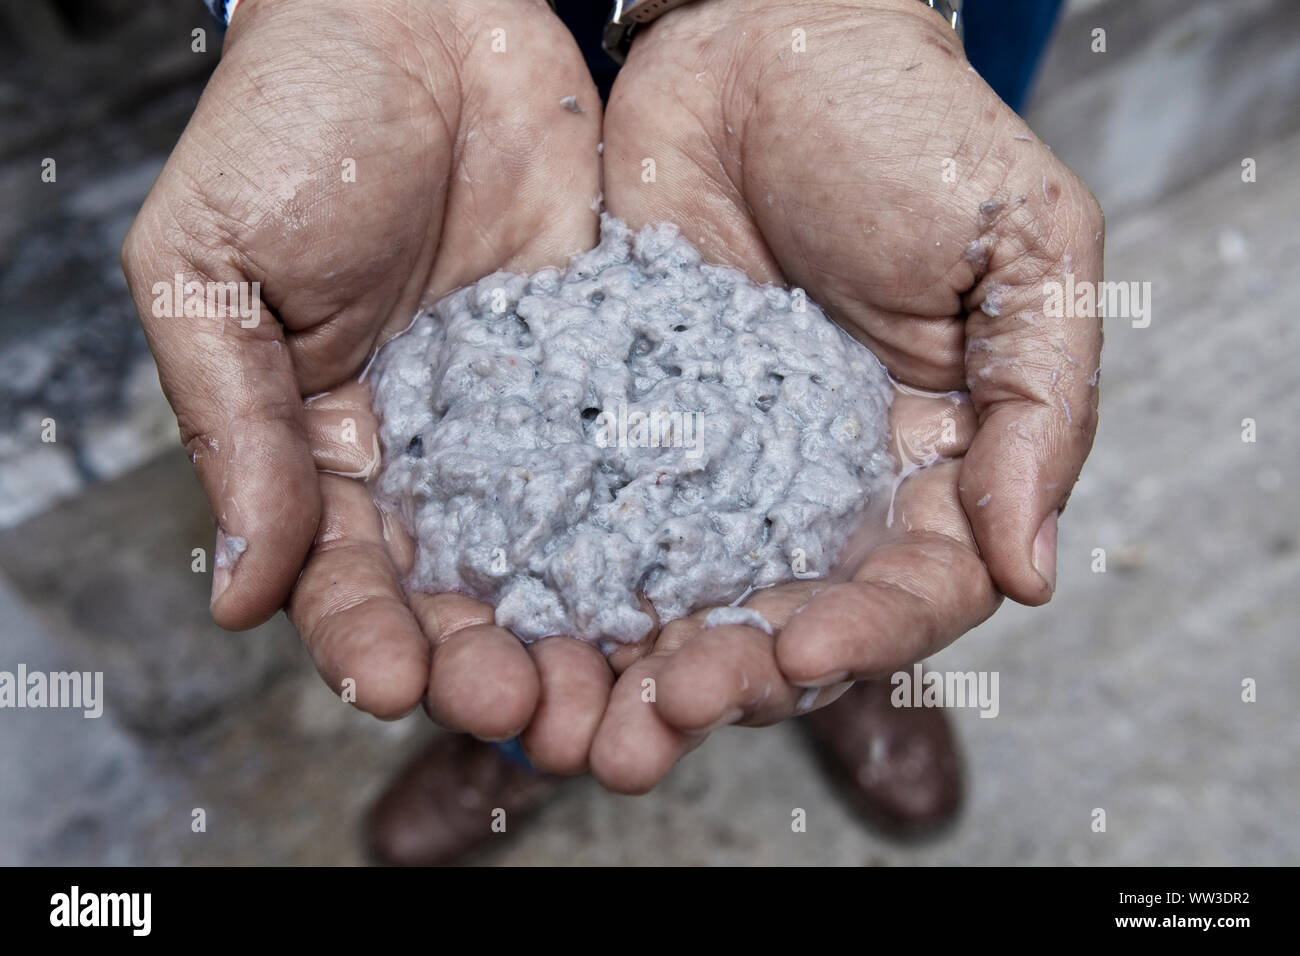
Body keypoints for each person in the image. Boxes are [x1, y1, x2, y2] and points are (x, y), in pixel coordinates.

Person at [121, 0, 1101, 864]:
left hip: (848, 61)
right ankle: (513, 744)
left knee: (884, 244)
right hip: (466, 82)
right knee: (498, 670)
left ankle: (848, 663)